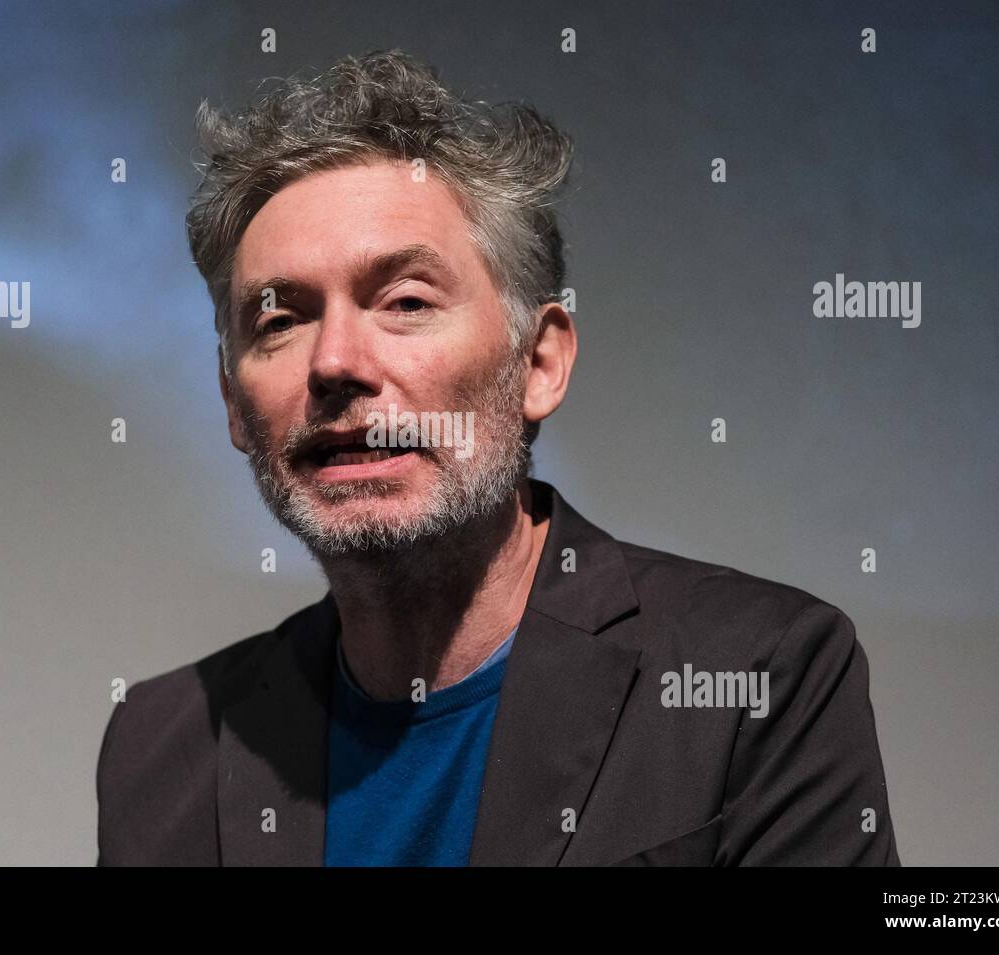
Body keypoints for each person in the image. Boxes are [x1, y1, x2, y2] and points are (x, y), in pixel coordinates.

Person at [96, 49, 900, 866]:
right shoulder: (163, 746)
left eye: (406, 301)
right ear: (234, 402)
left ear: (538, 364)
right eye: (279, 320)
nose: (334, 361)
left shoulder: (757, 676)